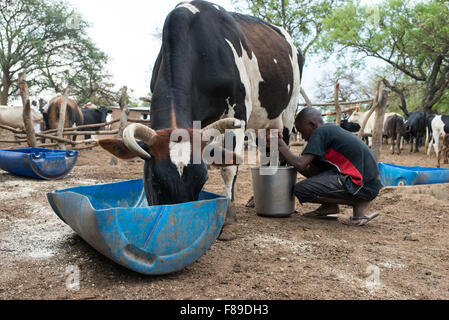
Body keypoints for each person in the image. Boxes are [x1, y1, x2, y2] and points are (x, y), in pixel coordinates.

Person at [271, 107, 383, 226]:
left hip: (362, 184)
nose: (302, 137)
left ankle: (358, 203)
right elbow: (311, 171)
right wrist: (287, 158)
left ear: (312, 124)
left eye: (302, 131)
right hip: (367, 183)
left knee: (301, 190)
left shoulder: (321, 131)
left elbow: (301, 164)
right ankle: (329, 206)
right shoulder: (330, 132)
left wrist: (281, 145)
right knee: (316, 172)